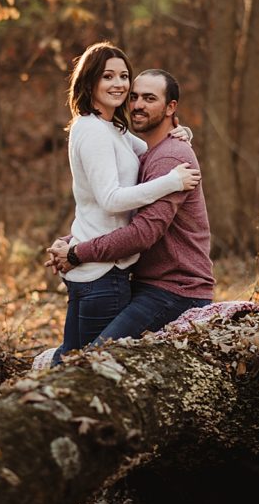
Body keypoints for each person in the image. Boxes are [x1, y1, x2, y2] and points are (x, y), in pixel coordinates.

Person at [45, 42, 200, 367]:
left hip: (96, 266)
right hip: (104, 271)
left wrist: (179, 131)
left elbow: (146, 150)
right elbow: (111, 200)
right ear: (89, 83)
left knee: (73, 362)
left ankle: (38, 387)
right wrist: (172, 181)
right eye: (108, 77)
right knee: (89, 368)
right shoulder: (96, 132)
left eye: (124, 76)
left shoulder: (111, 129)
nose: (119, 84)